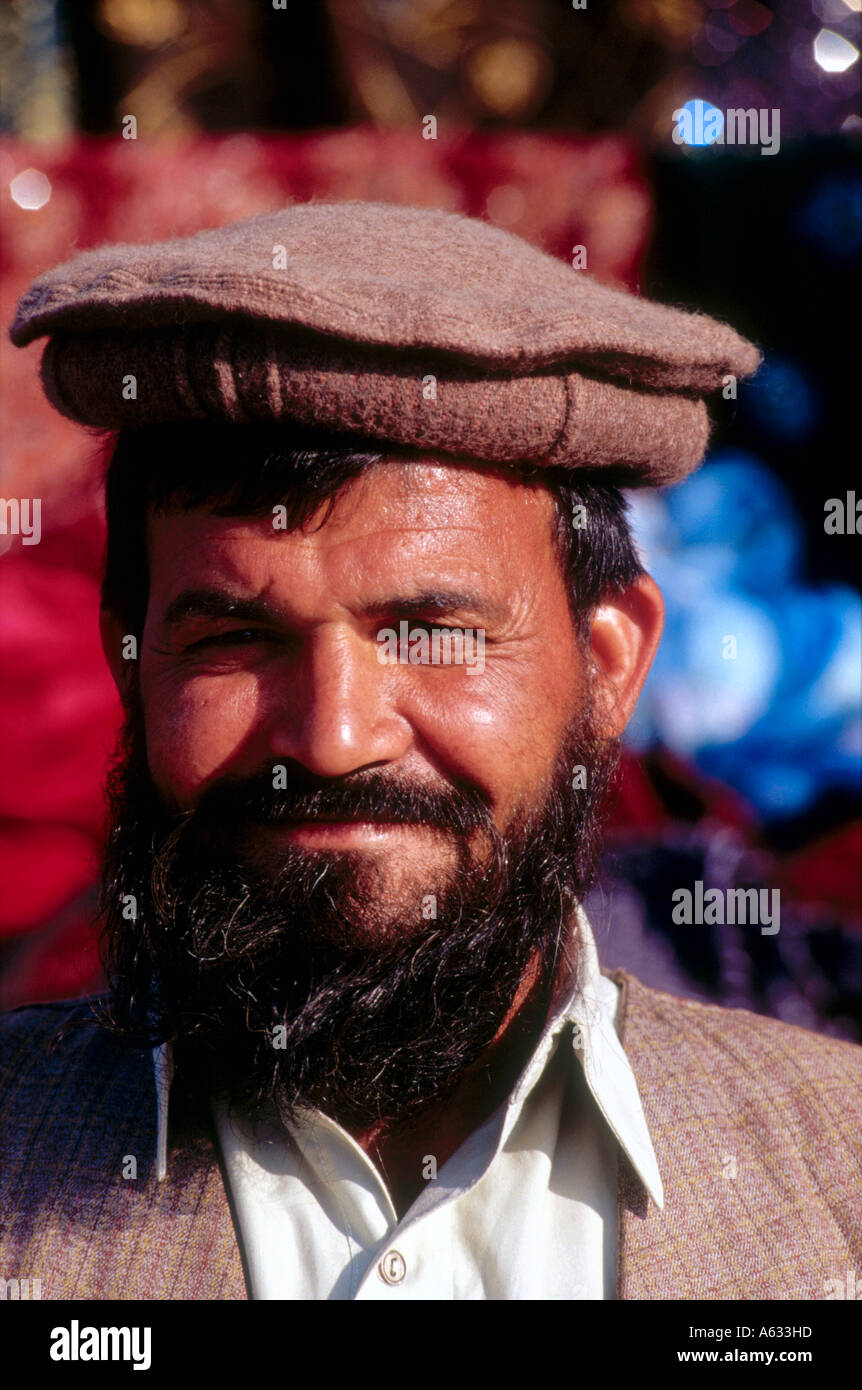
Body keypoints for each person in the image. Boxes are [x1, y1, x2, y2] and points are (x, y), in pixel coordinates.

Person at [2, 201, 859, 1301]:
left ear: (608, 665)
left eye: (430, 634)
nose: (332, 735)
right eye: (232, 639)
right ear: (128, 662)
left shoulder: (836, 1177)